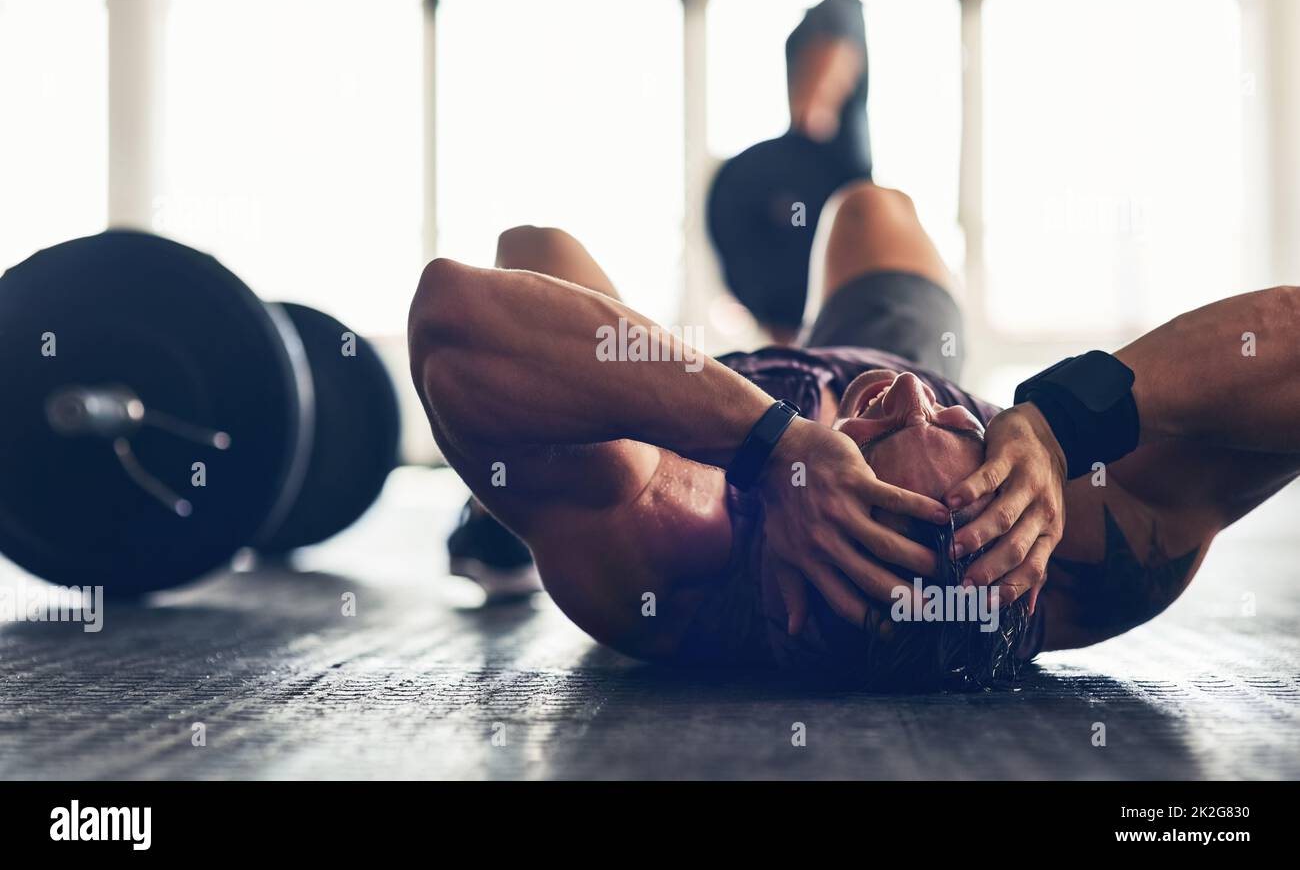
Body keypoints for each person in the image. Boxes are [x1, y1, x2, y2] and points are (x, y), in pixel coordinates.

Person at [411, 180, 1300, 690]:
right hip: (870, 340)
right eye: (967, 426)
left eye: (875, 434)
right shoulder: (1077, 560)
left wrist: (778, 444)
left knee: (534, 244)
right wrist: (1059, 423)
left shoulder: (677, 542)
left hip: (711, 413)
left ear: (792, 592)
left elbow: (455, 320)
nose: (913, 398)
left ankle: (508, 489)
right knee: (872, 207)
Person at [707, 0, 892, 342]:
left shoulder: (838, 10)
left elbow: (815, 113)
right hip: (836, 189)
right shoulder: (843, 7)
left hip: (831, 190)